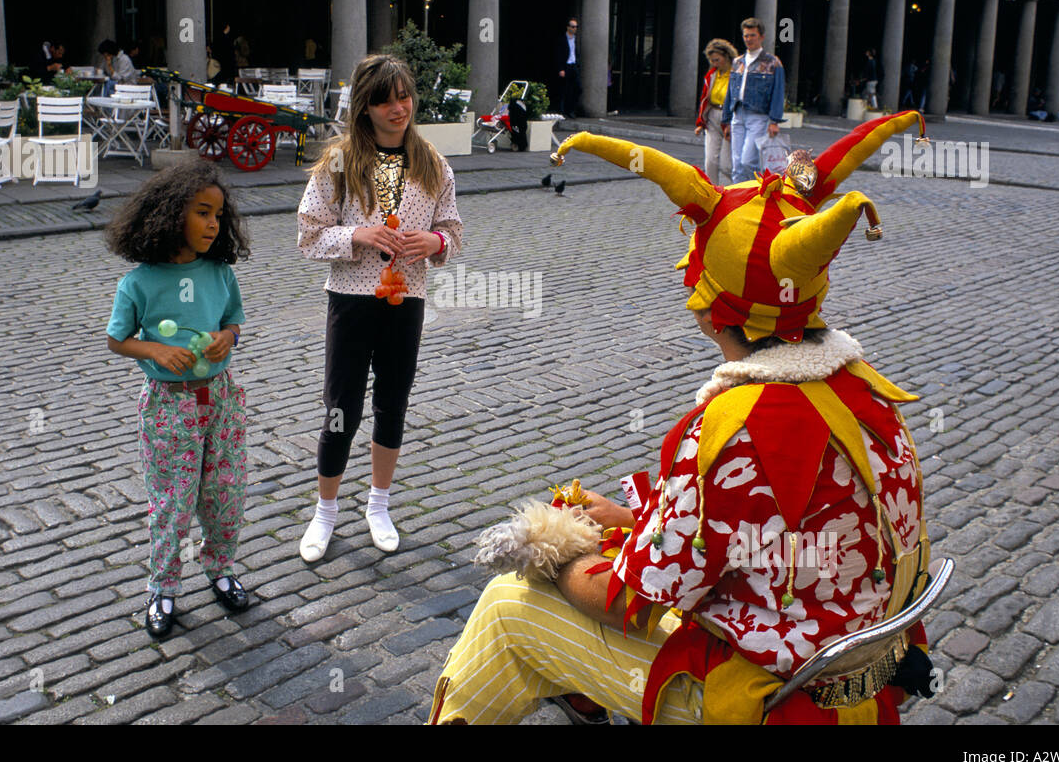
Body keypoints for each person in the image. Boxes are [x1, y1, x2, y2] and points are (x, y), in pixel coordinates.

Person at [430, 112, 933, 725]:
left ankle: (563, 685)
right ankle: (580, 690)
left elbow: (630, 600)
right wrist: (637, 519)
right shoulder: (871, 396)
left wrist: (552, 549)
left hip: (766, 700)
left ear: (708, 305)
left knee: (509, 605)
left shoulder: (728, 432)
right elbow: (757, 536)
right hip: (864, 683)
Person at [296, 54, 463, 562]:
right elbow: (308, 234)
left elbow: (453, 231)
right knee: (342, 407)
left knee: (393, 403)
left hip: (405, 301)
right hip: (350, 301)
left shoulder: (431, 161)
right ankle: (325, 513)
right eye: (385, 99)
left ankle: (379, 504)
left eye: (404, 96)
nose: (399, 107)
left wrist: (434, 242)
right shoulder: (341, 161)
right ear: (365, 107)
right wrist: (358, 234)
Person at [104, 161, 253, 640]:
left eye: (219, 215)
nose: (213, 224)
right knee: (173, 500)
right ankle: (163, 587)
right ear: (170, 216)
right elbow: (117, 338)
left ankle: (221, 568)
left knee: (225, 492)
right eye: (203, 213)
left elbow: (233, 322)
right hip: (169, 407)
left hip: (222, 400)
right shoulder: (139, 283)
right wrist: (154, 350)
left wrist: (226, 338)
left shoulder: (219, 273)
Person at [721, 17, 785, 182]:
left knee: (748, 161)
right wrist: (726, 120)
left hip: (758, 116)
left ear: (761, 37)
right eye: (746, 35)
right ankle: (739, 200)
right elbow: (730, 92)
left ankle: (755, 192)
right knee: (736, 164)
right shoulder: (737, 62)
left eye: (752, 35)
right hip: (737, 114)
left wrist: (774, 120)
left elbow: (778, 92)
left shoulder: (772, 63)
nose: (748, 39)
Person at [693, 37, 737, 185]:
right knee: (710, 161)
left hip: (730, 118)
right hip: (713, 116)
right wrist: (700, 122)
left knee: (726, 166)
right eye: (712, 60)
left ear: (726, 56)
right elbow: (705, 98)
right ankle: (712, 194)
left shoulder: (737, 73)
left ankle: (741, 188)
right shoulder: (712, 74)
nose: (714, 63)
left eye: (717, 60)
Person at [555, 18, 580, 118]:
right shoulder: (562, 39)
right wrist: (560, 68)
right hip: (565, 66)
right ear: (568, 27)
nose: (575, 29)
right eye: (573, 26)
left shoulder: (575, 39)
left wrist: (578, 64)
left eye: (576, 27)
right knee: (564, 89)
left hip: (573, 65)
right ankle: (562, 111)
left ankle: (571, 110)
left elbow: (576, 52)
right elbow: (558, 54)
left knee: (577, 89)